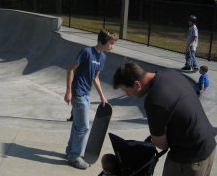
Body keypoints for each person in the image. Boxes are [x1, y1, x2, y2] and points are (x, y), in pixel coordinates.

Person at [113, 62, 216, 176]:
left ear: (137, 84)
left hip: (189, 159)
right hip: (208, 145)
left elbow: (161, 144)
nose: (128, 95)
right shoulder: (170, 73)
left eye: (127, 91)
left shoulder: (154, 100)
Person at [63, 29, 118, 169]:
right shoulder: (86, 52)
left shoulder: (103, 57)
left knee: (77, 124)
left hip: (86, 94)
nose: (113, 46)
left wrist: (102, 96)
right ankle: (75, 156)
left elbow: (96, 77)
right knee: (83, 126)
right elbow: (71, 69)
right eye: (111, 43)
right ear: (103, 41)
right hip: (78, 93)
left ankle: (70, 151)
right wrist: (69, 91)